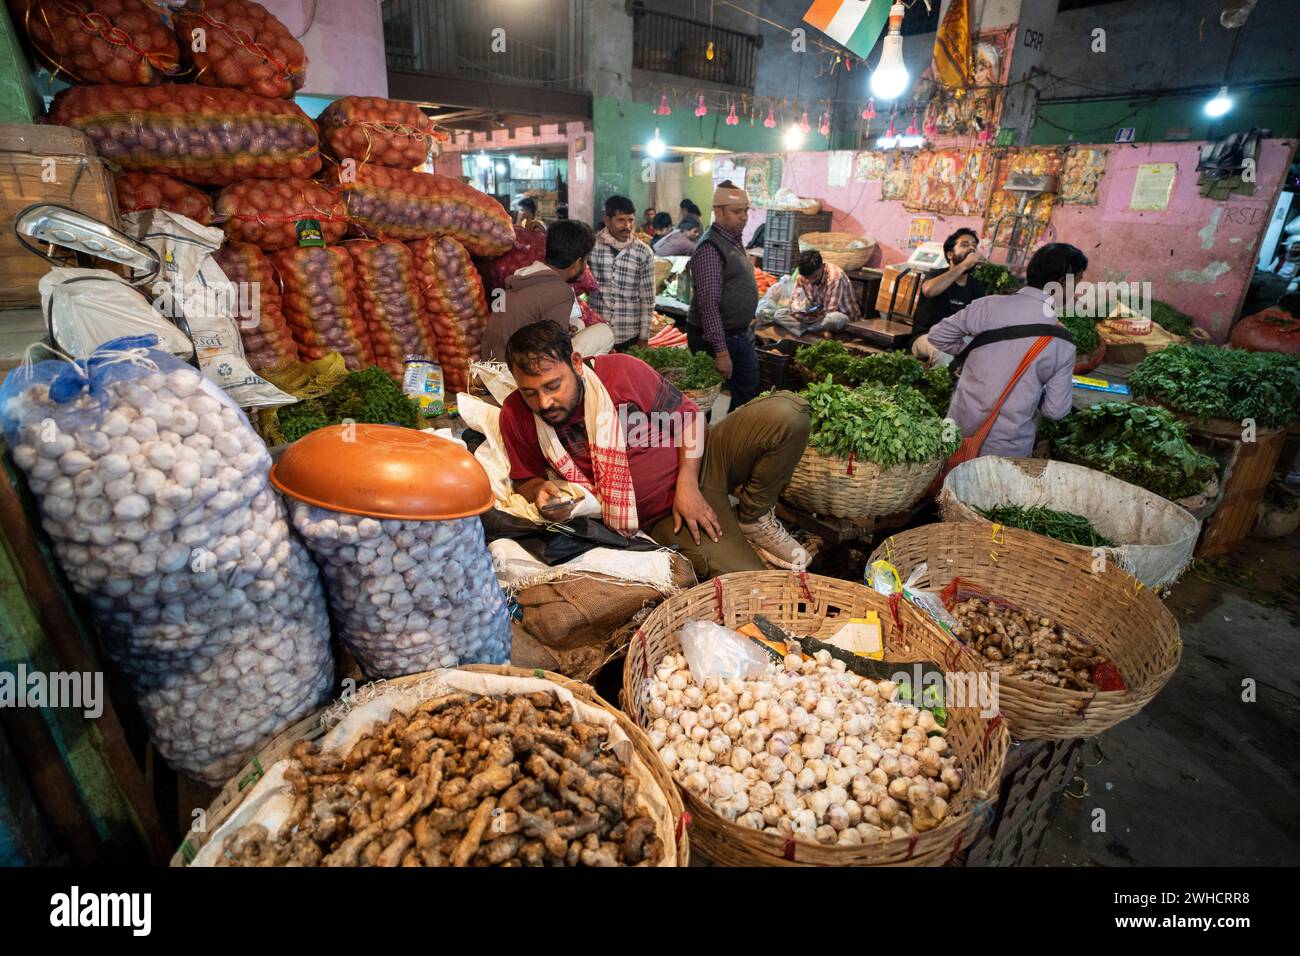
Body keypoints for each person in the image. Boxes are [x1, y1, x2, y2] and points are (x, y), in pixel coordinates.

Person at [498, 321, 812, 576]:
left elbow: (689, 420)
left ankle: (752, 516)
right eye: (530, 392)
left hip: (703, 462)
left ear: (577, 364)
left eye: (553, 386)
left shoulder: (621, 373)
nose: (544, 402)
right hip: (660, 515)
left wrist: (687, 485)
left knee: (787, 413)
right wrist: (540, 490)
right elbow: (525, 480)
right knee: (748, 582)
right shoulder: (516, 415)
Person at [927, 242, 1085, 459]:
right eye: (1076, 281)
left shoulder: (987, 305)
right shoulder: (1062, 343)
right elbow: (1055, 411)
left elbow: (937, 335)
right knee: (989, 493)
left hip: (954, 431)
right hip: (1006, 448)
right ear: (1061, 282)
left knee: (943, 487)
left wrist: (970, 354)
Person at [480, 220, 615, 362]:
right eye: (586, 260)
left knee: (577, 324)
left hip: (493, 362)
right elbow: (556, 349)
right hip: (514, 372)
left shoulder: (525, 275)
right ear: (577, 264)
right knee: (605, 333)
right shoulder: (560, 291)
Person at [688, 181, 760, 409]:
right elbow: (708, 305)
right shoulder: (710, 248)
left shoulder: (733, 240)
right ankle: (705, 443)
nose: (744, 217)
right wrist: (721, 352)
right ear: (718, 211)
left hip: (739, 334)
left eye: (746, 211)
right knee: (704, 400)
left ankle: (735, 441)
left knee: (747, 392)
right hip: (715, 338)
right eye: (737, 211)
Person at [587, 195, 656, 352]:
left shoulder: (643, 252)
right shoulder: (591, 247)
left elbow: (648, 298)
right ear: (606, 220)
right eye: (620, 220)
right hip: (597, 332)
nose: (627, 226)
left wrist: (644, 337)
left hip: (629, 336)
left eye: (630, 220)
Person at [912, 228, 986, 366]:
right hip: (926, 337)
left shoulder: (977, 286)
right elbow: (929, 291)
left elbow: (979, 321)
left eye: (974, 246)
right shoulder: (936, 275)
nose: (971, 249)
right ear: (950, 254)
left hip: (958, 338)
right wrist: (964, 265)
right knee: (943, 353)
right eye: (965, 245)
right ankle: (945, 387)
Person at [791, 249, 861, 332]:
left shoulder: (835, 277)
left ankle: (806, 330)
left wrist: (809, 317)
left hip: (841, 317)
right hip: (815, 316)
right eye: (807, 278)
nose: (810, 281)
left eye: (814, 277)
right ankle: (814, 330)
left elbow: (829, 311)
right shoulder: (803, 275)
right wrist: (798, 311)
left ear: (821, 267)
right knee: (779, 314)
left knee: (834, 319)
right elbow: (795, 299)